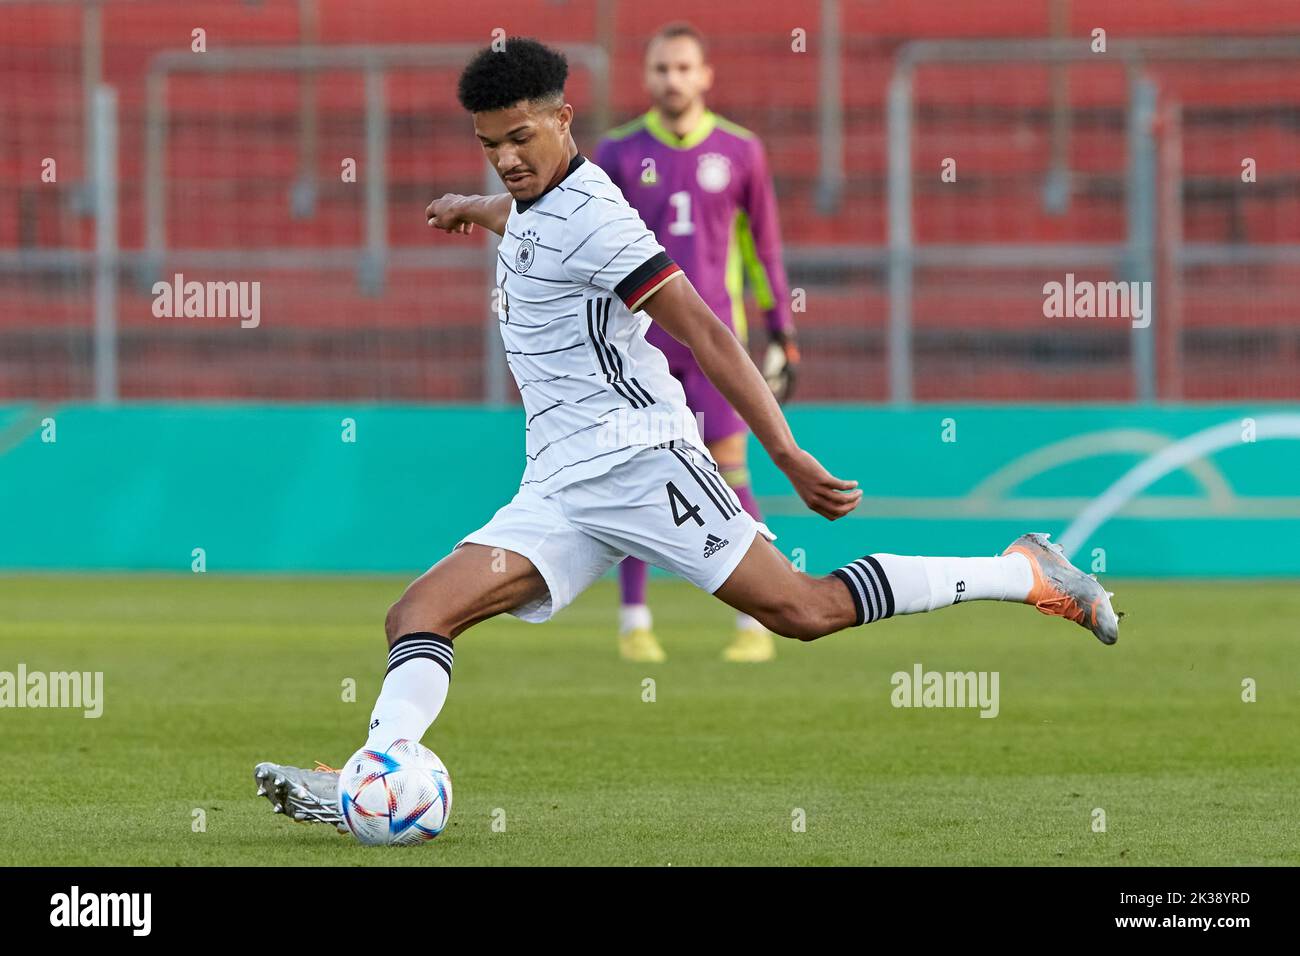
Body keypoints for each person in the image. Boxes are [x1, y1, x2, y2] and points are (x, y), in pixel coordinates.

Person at [254, 38, 1119, 830]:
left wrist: (784, 452)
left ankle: (1024, 572)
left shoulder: (598, 215)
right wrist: (470, 205)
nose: (507, 158)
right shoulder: (529, 200)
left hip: (640, 459)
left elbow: (703, 327)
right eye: (490, 144)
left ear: (563, 117)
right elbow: (521, 223)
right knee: (417, 614)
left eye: (521, 137)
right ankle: (375, 776)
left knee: (802, 610)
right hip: (558, 486)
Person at [594, 22, 799, 664]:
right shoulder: (618, 154)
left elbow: (761, 246)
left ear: (705, 75)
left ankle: (754, 622)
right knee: (635, 474)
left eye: (684, 68)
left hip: (717, 343)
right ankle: (635, 621)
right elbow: (593, 252)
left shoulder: (741, 152)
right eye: (661, 69)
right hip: (640, 347)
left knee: (731, 468)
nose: (672, 80)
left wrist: (782, 331)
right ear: (646, 77)